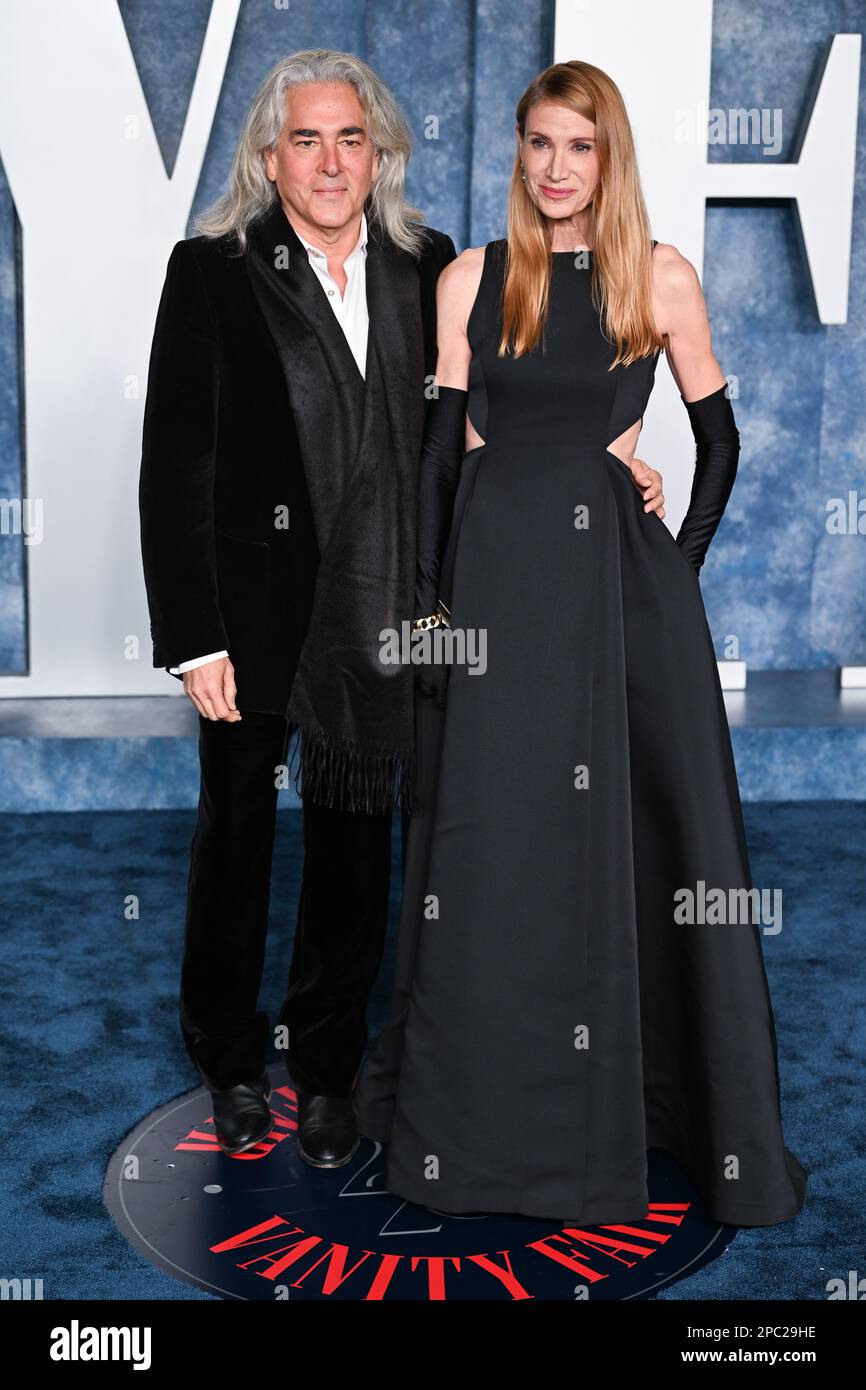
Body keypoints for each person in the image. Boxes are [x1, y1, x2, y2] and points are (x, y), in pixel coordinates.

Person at [352, 59, 808, 1227]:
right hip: (491, 590)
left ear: (608, 160)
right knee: (485, 843)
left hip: (609, 593)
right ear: (518, 151)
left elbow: (719, 441)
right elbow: (438, 456)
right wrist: (428, 605)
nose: (555, 169)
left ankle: (639, 1108)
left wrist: (669, 571)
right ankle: (474, 1123)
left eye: (579, 147)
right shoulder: (472, 278)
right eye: (538, 144)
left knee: (626, 841)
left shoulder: (656, 277)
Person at [138, 50, 457, 1160]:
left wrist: (608, 460)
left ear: (380, 154)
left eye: (349, 139)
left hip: (379, 612)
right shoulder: (213, 269)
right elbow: (174, 463)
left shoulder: (430, 267)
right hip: (252, 616)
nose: (329, 161)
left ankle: (324, 1069)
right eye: (306, 141)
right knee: (235, 839)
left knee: (353, 843)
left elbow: (470, 437)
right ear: (269, 159)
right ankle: (229, 1060)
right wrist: (193, 638)